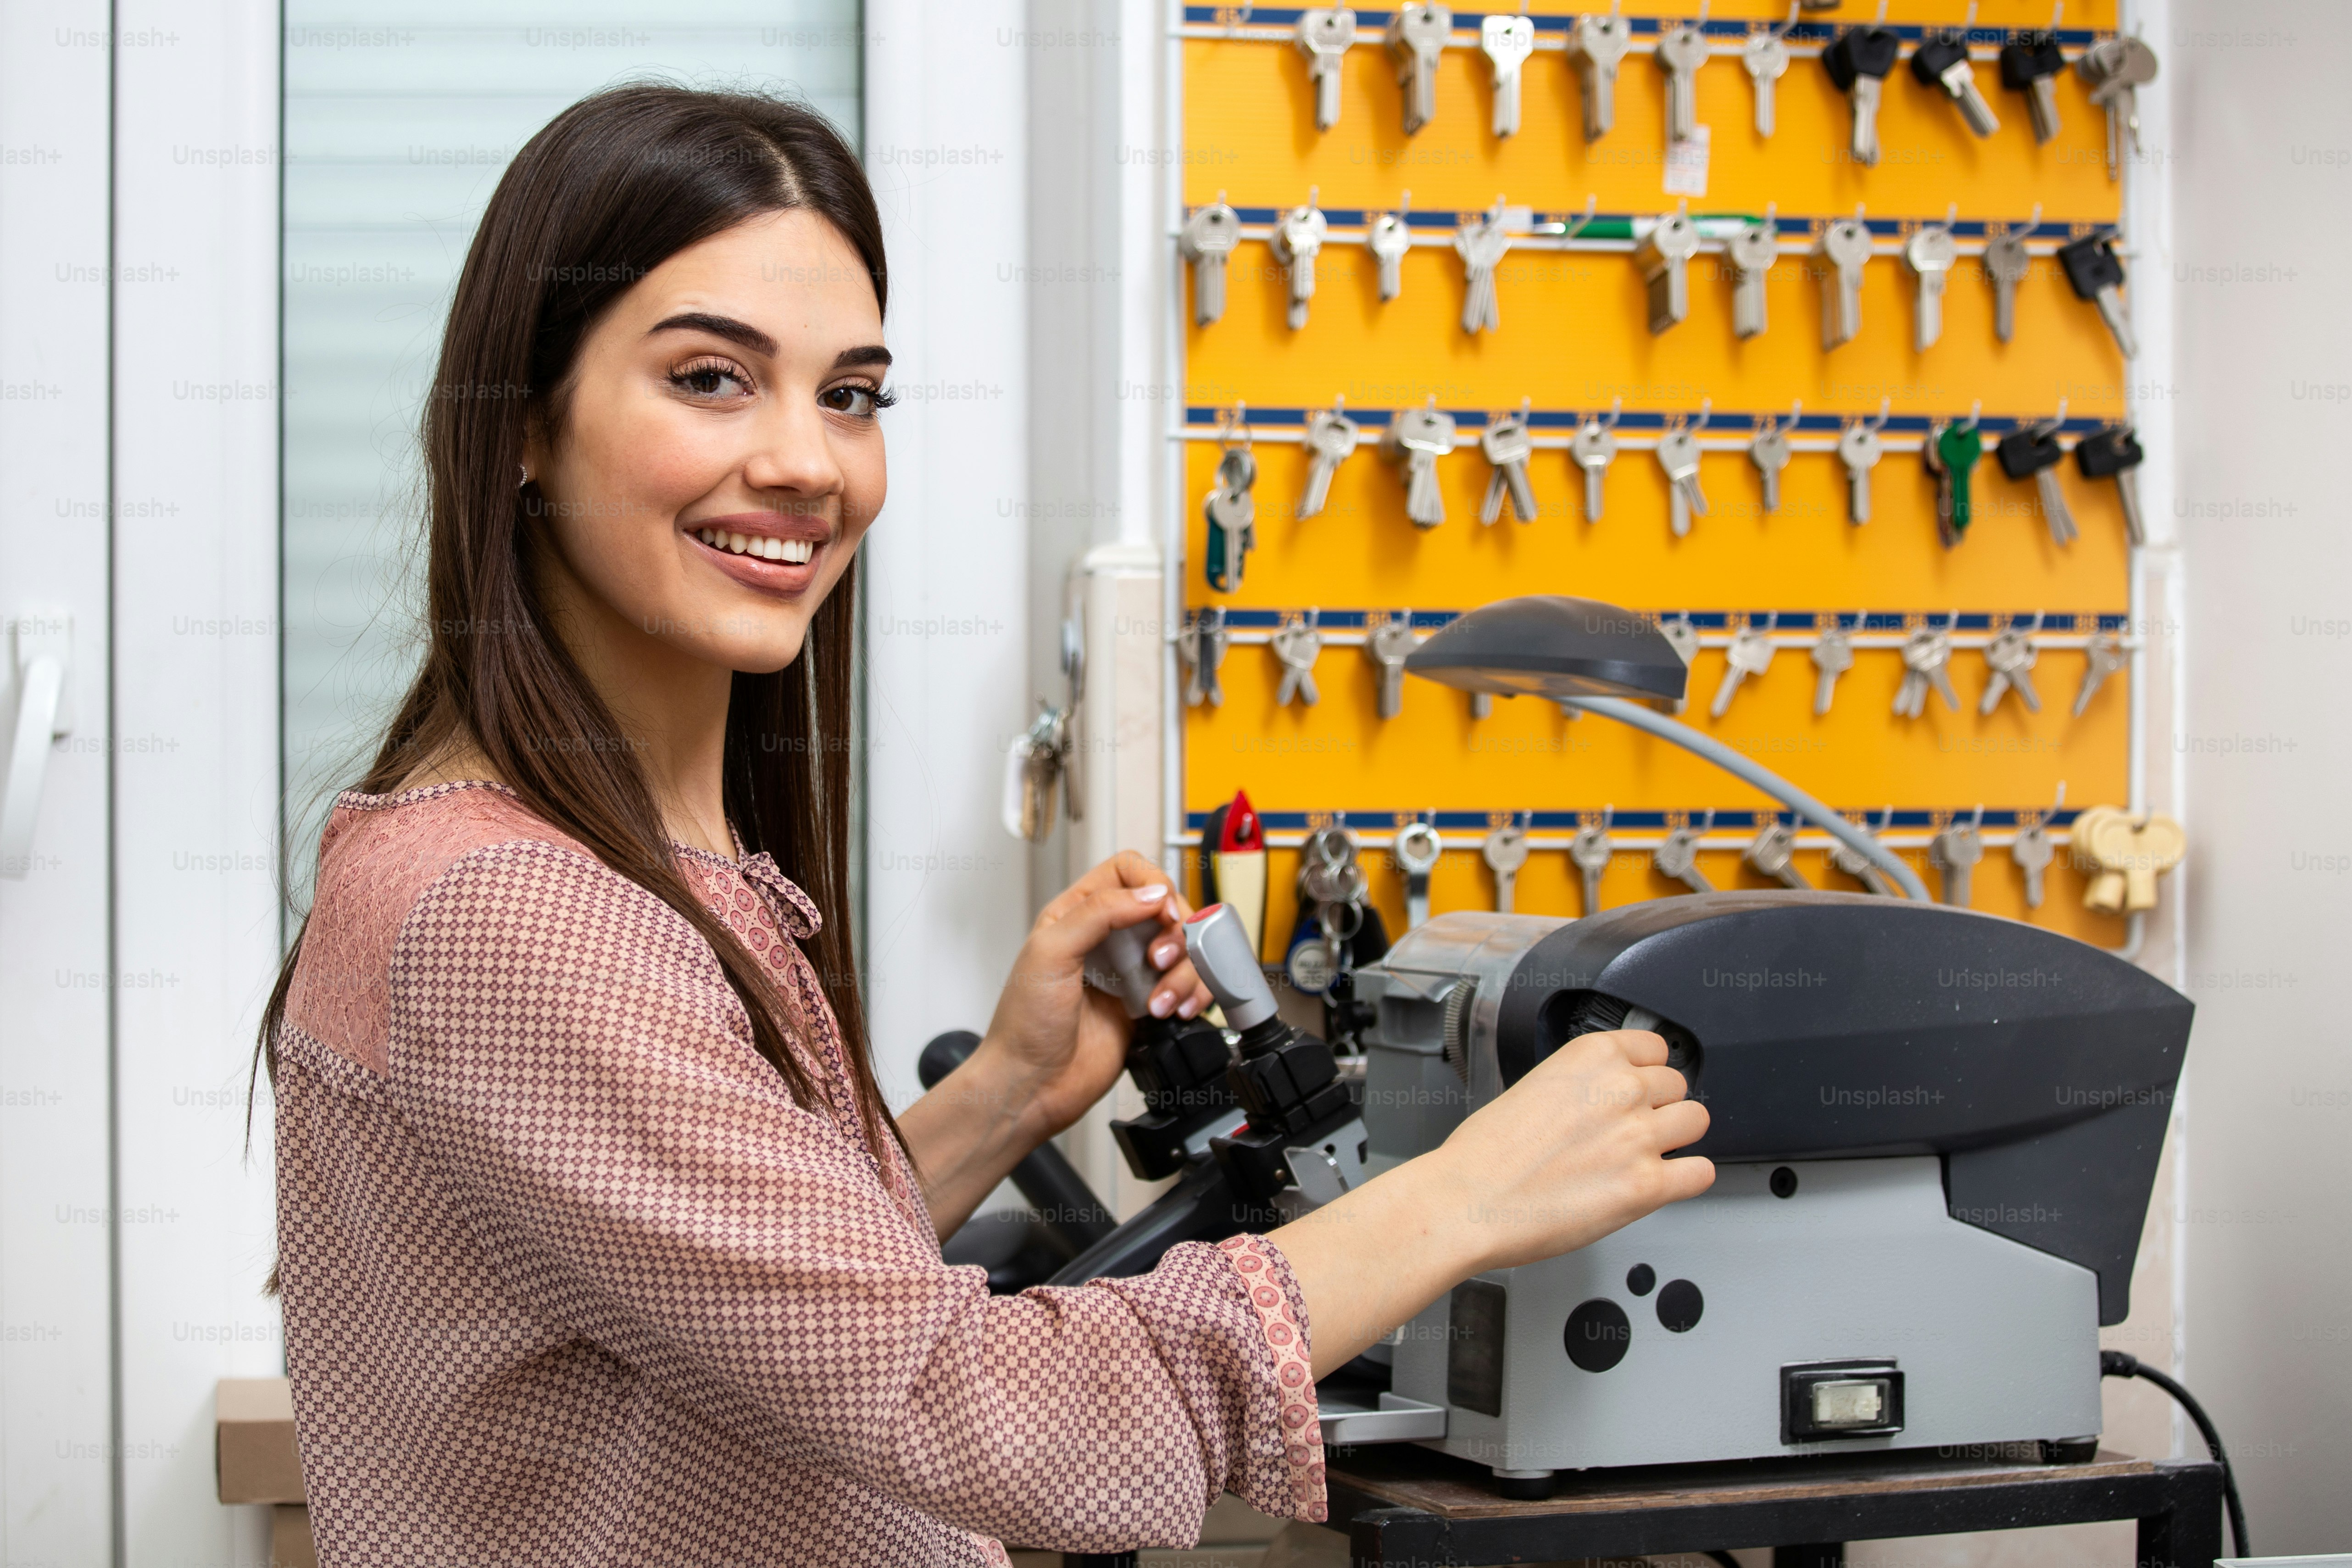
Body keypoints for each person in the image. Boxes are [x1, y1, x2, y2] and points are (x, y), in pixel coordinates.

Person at [259, 84, 1713, 1566]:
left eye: (851, 393)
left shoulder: (569, 858)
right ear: (521, 423)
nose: (809, 463)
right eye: (711, 378)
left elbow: (771, 1313)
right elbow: (959, 1402)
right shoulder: (512, 908)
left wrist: (1009, 1090)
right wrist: (1462, 1198)